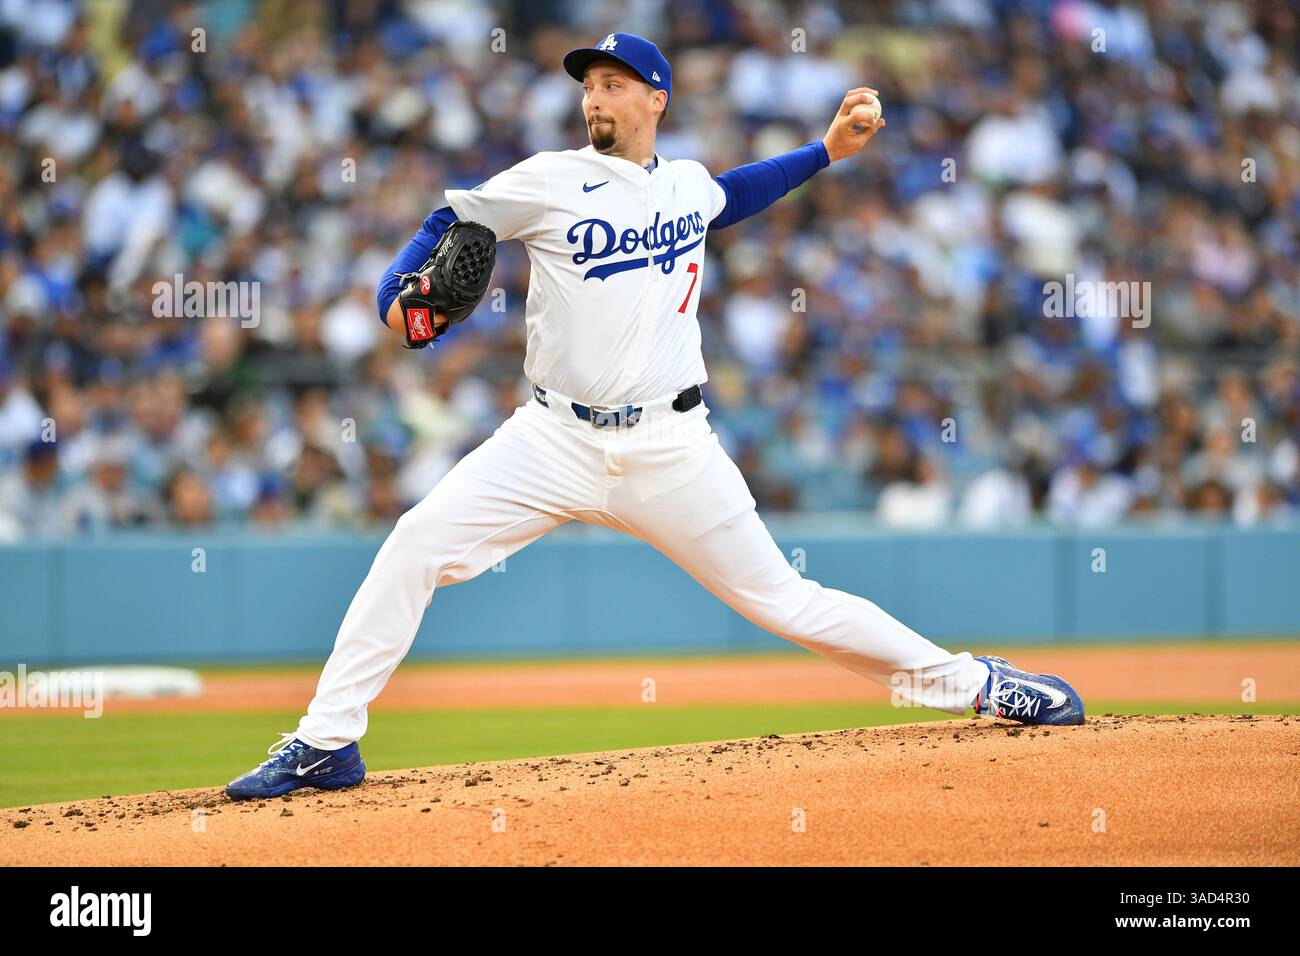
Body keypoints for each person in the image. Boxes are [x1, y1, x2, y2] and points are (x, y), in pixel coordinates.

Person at [225, 33, 1084, 801]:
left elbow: (736, 194)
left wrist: (824, 151)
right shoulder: (549, 178)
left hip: (672, 444)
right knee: (415, 543)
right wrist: (400, 304)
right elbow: (445, 221)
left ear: (656, 97)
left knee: (785, 601)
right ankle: (327, 744)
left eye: (614, 83)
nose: (595, 97)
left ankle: (979, 683)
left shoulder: (683, 185)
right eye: (588, 85)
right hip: (551, 437)